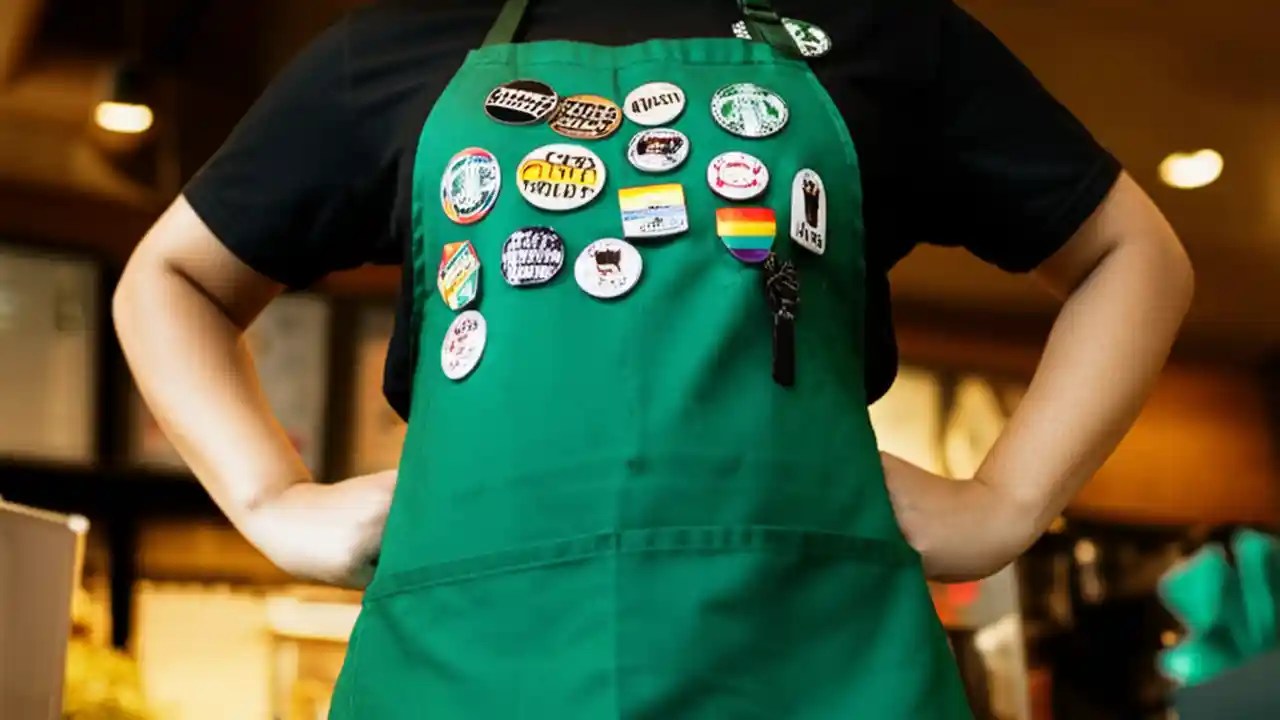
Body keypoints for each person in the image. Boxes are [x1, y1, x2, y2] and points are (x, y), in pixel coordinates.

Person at [112, 0, 1193, 717]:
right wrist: (268, 500)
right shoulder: (397, 43)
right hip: (467, 673)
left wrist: (1004, 504)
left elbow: (1132, 256)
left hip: (809, 670)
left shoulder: (879, 28)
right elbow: (171, 280)